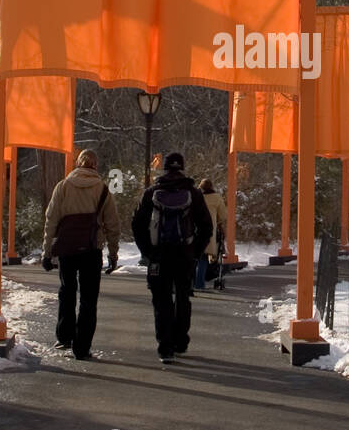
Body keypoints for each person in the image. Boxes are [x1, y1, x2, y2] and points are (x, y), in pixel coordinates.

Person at [132, 152, 212, 363]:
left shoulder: (151, 192)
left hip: (159, 255)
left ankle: (165, 347)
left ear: (164, 168)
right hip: (184, 254)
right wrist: (195, 251)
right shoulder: (193, 193)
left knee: (161, 300)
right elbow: (206, 227)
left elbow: (137, 224)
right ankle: (180, 341)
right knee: (183, 298)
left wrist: (148, 251)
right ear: (182, 168)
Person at [41, 149, 120, 360]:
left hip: (67, 249)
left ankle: (64, 336)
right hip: (91, 249)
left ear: (77, 163)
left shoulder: (63, 186)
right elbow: (112, 225)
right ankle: (82, 347)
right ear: (95, 166)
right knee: (88, 298)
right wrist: (113, 254)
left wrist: (47, 252)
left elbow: (51, 220)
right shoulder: (103, 190)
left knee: (67, 291)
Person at [195, 178, 227, 290]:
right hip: (209, 230)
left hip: (192, 229)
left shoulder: (195, 196)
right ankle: (199, 284)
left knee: (192, 256)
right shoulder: (216, 198)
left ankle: (188, 282)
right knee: (203, 257)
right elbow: (223, 215)